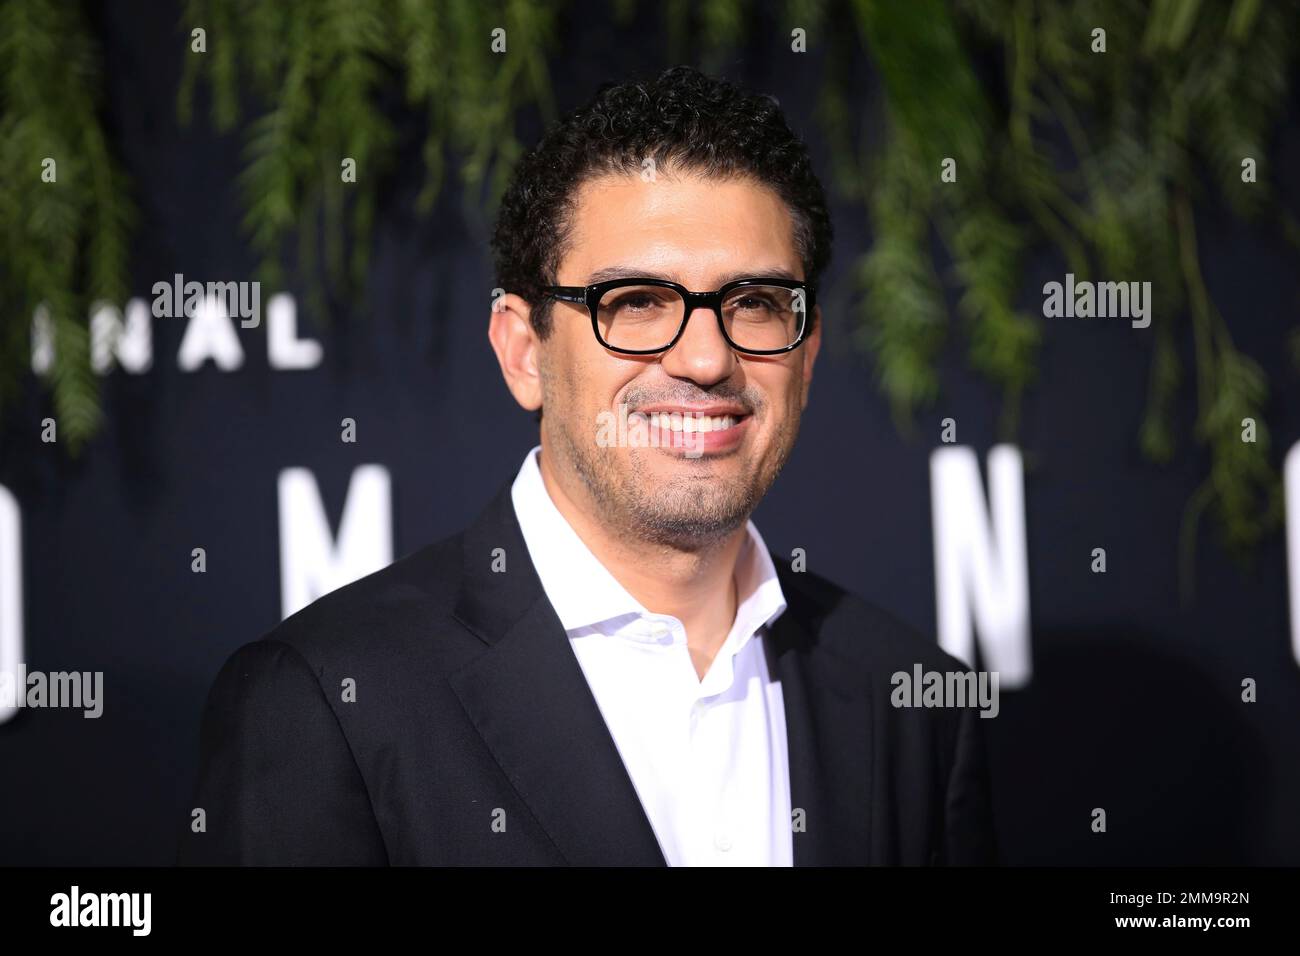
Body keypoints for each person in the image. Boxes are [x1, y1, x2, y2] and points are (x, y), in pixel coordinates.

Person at [179, 65, 997, 867]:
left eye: (754, 303)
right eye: (636, 304)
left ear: (807, 353)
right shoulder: (324, 703)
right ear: (523, 351)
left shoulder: (911, 699)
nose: (707, 358)